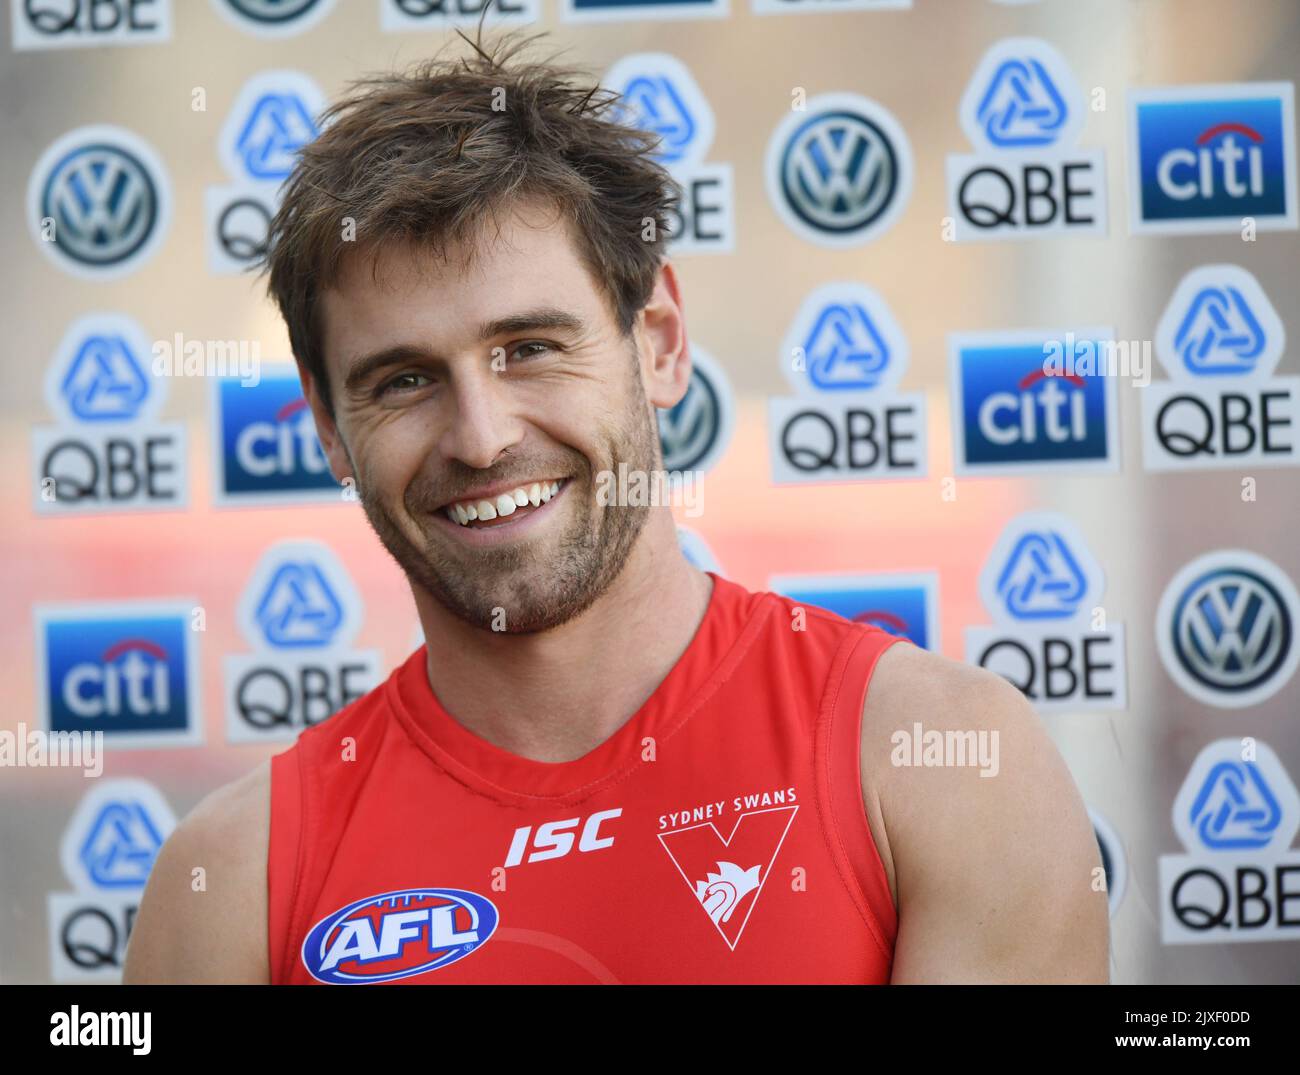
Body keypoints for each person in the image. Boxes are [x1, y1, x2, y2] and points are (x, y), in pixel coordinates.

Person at [124, 28, 1108, 985]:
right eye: (403, 380)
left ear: (661, 344)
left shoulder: (934, 765)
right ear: (330, 429)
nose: (481, 435)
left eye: (530, 348)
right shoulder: (230, 884)